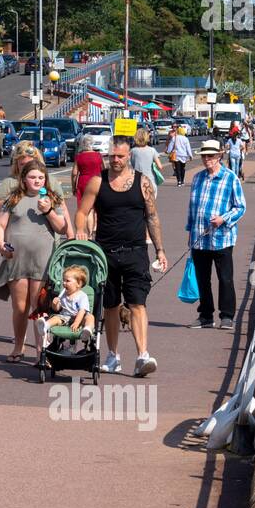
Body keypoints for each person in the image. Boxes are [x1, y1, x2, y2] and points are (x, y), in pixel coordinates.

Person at [74, 135, 169, 377]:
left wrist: (159, 249)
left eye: (120, 156)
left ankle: (142, 355)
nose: (115, 160)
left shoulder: (142, 182)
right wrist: (81, 230)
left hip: (136, 251)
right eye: (112, 156)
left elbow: (152, 217)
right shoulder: (97, 181)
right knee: (111, 306)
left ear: (129, 156)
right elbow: (82, 211)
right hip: (105, 253)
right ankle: (113, 356)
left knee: (137, 303)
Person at [0, 158, 67, 364]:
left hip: (43, 260)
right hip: (17, 259)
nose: (37, 181)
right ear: (24, 179)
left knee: (39, 307)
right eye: (32, 177)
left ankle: (41, 352)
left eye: (41, 178)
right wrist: (1, 244)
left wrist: (48, 211)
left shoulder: (51, 198)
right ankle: (18, 346)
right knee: (20, 307)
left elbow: (62, 227)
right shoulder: (13, 198)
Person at [185, 139, 247, 330]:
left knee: (225, 278)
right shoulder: (197, 178)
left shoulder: (230, 178)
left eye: (210, 156)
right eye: (204, 156)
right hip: (199, 237)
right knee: (202, 279)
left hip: (222, 238)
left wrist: (223, 219)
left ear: (219, 156)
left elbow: (240, 207)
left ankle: (227, 316)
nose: (207, 159)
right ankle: (205, 315)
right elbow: (192, 208)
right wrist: (190, 232)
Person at [44, 265, 94, 347]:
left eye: (67, 281)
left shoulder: (82, 296)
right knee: (56, 318)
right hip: (65, 317)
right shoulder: (63, 295)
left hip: (80, 318)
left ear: (78, 284)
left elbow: (82, 311)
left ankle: (87, 329)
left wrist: (76, 322)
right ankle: (46, 325)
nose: (64, 283)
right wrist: (54, 304)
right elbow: (57, 309)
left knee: (90, 317)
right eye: (63, 280)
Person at [70, 135, 104, 236]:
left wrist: (73, 186)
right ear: (92, 143)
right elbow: (104, 169)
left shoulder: (79, 156)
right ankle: (91, 231)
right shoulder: (98, 155)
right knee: (94, 208)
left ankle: (85, 233)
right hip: (97, 181)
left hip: (83, 182)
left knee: (84, 209)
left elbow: (74, 173)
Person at [130, 128, 162, 201]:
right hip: (150, 180)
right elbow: (160, 166)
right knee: (150, 204)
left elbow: (129, 166)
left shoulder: (132, 151)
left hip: (136, 181)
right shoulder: (152, 150)